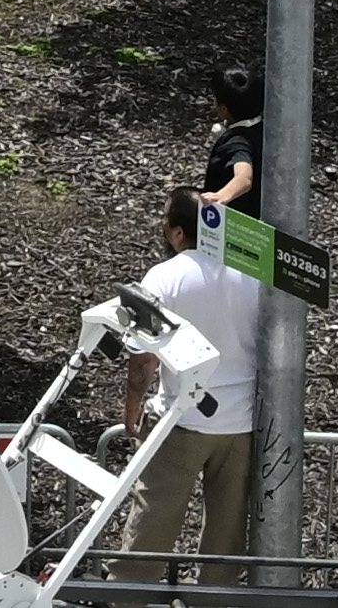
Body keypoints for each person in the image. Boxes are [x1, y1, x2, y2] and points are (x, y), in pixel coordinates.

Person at [114, 204, 267, 566]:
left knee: (154, 517)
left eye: (164, 221)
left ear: (179, 232)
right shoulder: (253, 275)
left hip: (181, 419)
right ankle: (211, 599)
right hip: (242, 425)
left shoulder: (164, 277)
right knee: (227, 531)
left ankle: (128, 597)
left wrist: (133, 405)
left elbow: (144, 356)